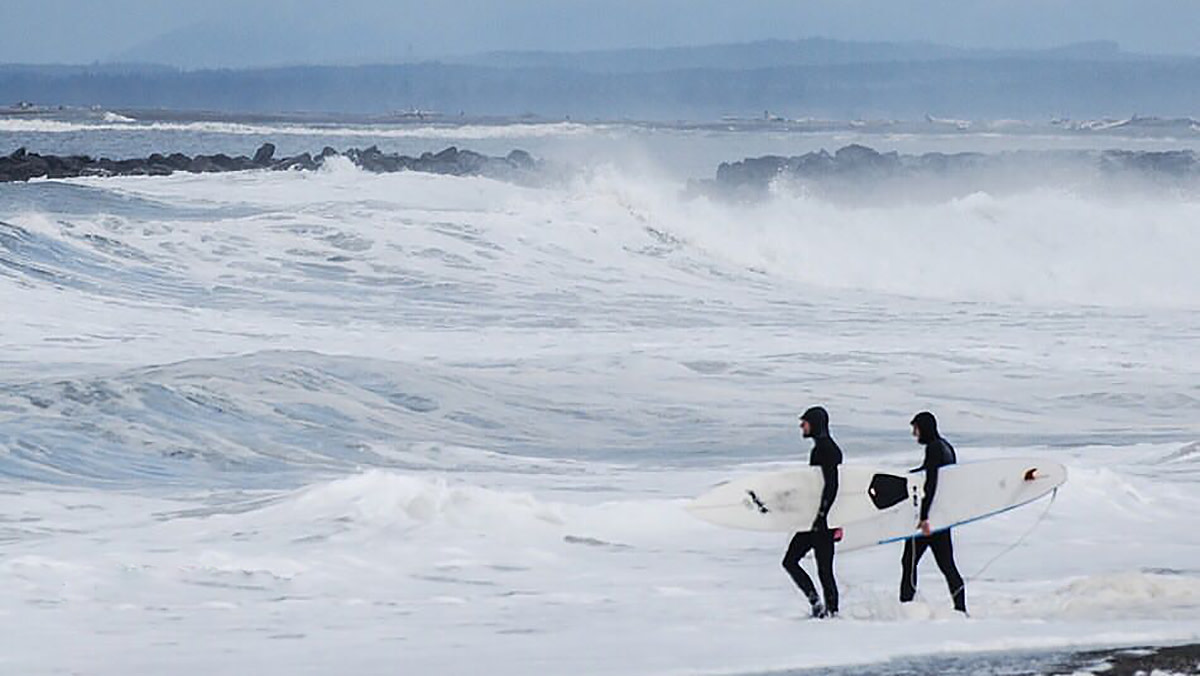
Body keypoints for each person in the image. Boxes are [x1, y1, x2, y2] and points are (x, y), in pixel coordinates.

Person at [900, 411, 967, 613]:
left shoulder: (934, 448)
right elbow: (930, 473)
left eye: (916, 429)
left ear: (924, 428)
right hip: (941, 517)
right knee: (947, 566)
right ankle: (961, 609)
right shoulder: (945, 446)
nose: (914, 434)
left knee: (909, 561)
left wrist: (924, 517)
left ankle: (906, 606)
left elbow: (931, 483)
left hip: (930, 519)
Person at [782, 406, 842, 618]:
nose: (802, 426)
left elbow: (833, 485)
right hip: (818, 519)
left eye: (805, 422)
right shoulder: (823, 447)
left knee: (809, 566)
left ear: (815, 424)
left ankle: (828, 610)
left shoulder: (825, 449)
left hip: (820, 521)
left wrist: (823, 517)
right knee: (815, 567)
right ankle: (822, 607)